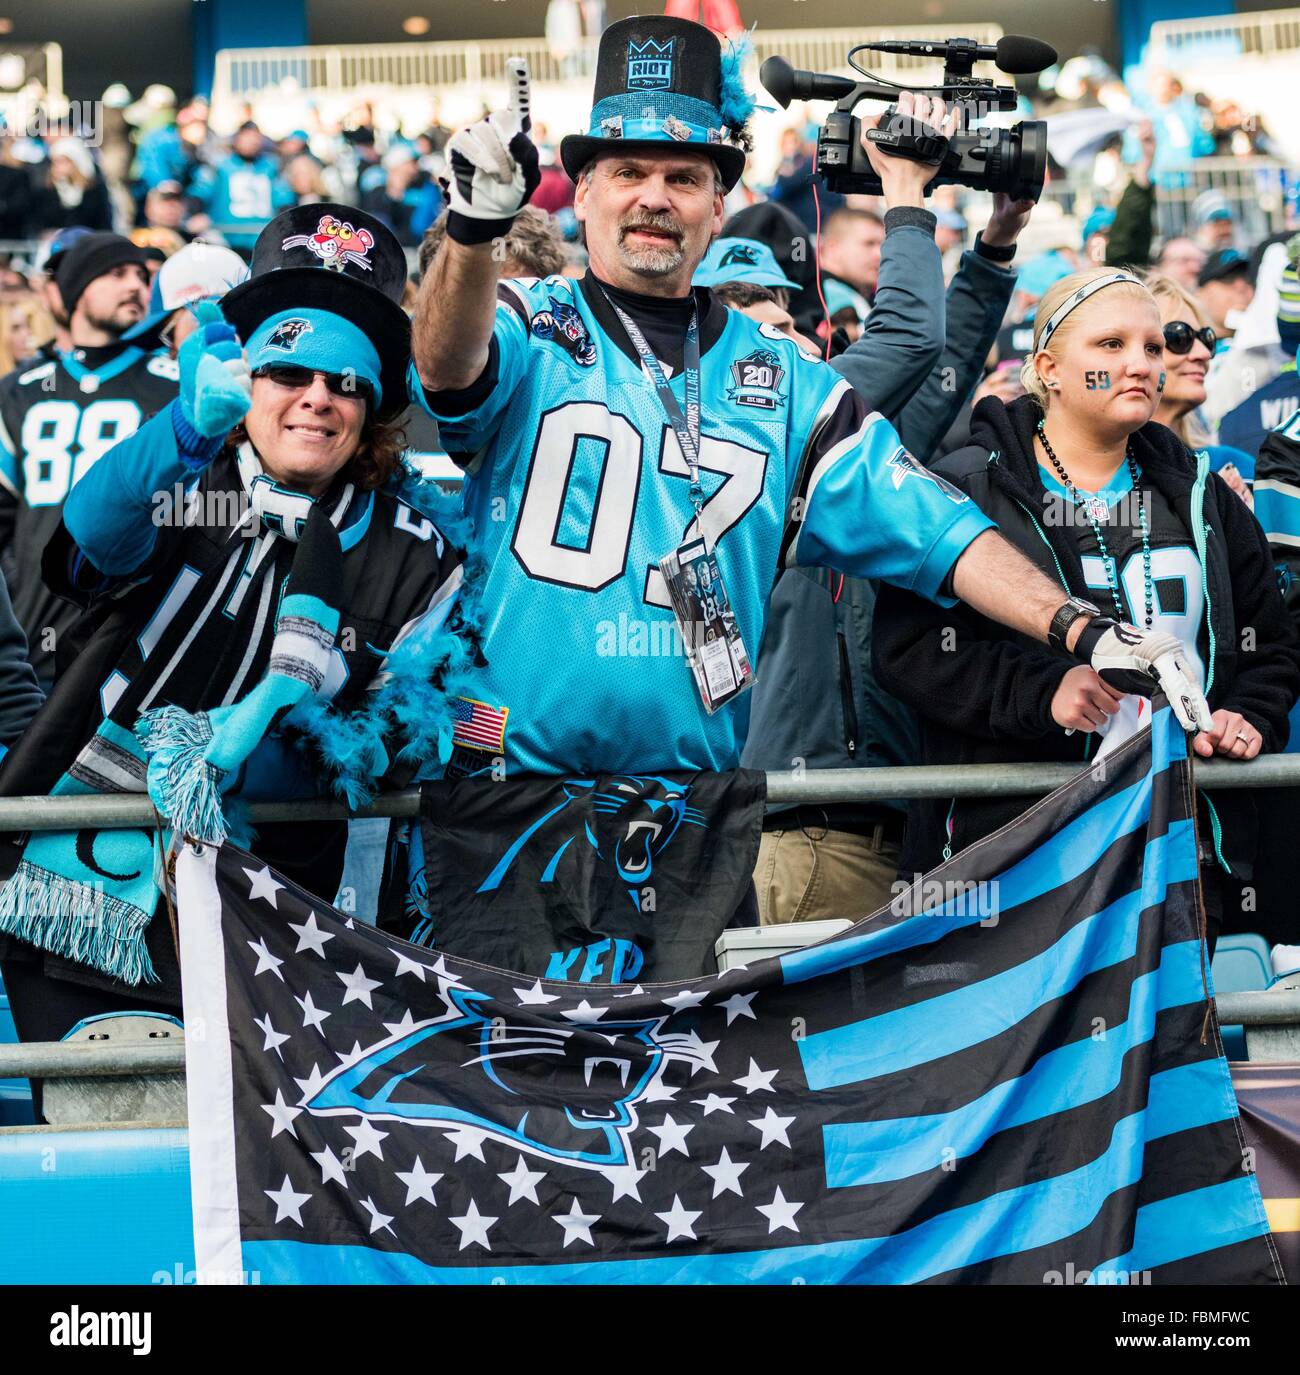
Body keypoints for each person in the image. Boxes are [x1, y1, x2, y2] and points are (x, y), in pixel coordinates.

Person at [409, 21, 1210, 871]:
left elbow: (939, 529)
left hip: (687, 816)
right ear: (587, 190)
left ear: (718, 205)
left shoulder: (787, 381)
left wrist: (1086, 631)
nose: (655, 196)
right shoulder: (533, 322)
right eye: (629, 172)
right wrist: (469, 232)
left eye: (684, 177)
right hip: (505, 796)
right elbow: (445, 365)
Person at [0, 203, 466, 1072]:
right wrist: (180, 432)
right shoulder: (188, 479)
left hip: (287, 930)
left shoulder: (415, 551)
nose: (317, 398)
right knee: (102, 1138)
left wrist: (264, 733)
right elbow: (92, 539)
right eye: (288, 371)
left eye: (346, 383)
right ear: (245, 380)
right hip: (84, 909)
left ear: (371, 412)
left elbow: (402, 741)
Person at [873, 266, 1300, 951]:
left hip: (1178, 857)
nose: (1140, 363)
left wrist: (1249, 714)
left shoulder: (1203, 494)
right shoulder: (967, 486)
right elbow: (909, 653)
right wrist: (1044, 692)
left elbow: (1271, 647)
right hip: (1014, 866)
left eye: (1154, 348)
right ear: (1050, 368)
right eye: (1110, 346)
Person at [0, 233, 179, 689]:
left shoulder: (174, 387)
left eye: (141, 276)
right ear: (78, 288)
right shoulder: (18, 391)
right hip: (30, 639)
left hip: (133, 640)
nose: (135, 286)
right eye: (116, 273)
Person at [1146, 272, 1254, 494]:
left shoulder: (1232, 467)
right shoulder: (1096, 476)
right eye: (1179, 337)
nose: (1204, 353)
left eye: (1206, 338)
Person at [189, 122, 293, 254]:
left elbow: (283, 196)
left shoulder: (271, 167)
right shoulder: (219, 165)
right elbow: (201, 190)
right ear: (237, 140)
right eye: (247, 138)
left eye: (255, 138)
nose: (251, 142)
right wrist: (196, 213)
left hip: (261, 237)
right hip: (223, 236)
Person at [692, 236, 800, 312]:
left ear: (785, 303)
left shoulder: (799, 344)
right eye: (739, 296)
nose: (760, 306)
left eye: (771, 295)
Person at [819, 207, 885, 303]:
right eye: (869, 243)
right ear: (832, 247)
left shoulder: (860, 297)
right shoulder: (825, 297)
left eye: (884, 246)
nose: (879, 254)